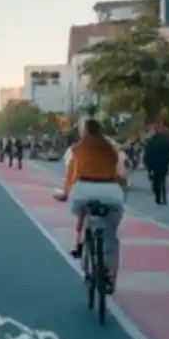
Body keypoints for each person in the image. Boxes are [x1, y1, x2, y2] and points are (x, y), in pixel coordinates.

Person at [58, 118, 128, 292]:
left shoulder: (76, 149)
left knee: (82, 212)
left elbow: (71, 176)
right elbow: (121, 176)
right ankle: (110, 275)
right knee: (111, 233)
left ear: (84, 132)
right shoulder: (113, 148)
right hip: (111, 191)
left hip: (84, 190)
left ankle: (82, 245)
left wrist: (65, 193)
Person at [143, 122, 169, 206]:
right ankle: (163, 194)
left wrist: (147, 164)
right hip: (164, 162)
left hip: (154, 163)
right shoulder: (166, 139)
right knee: (163, 177)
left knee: (156, 179)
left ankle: (157, 196)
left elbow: (148, 152)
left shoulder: (152, 140)